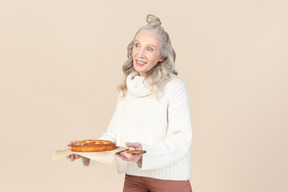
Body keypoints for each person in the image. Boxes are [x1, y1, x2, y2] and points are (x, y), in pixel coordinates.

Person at [67, 14, 193, 192]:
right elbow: (113, 136)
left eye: (149, 49)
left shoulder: (174, 87)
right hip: (134, 178)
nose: (140, 54)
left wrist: (143, 153)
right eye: (137, 45)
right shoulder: (129, 86)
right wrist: (85, 150)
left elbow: (182, 139)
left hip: (169, 181)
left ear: (162, 56)